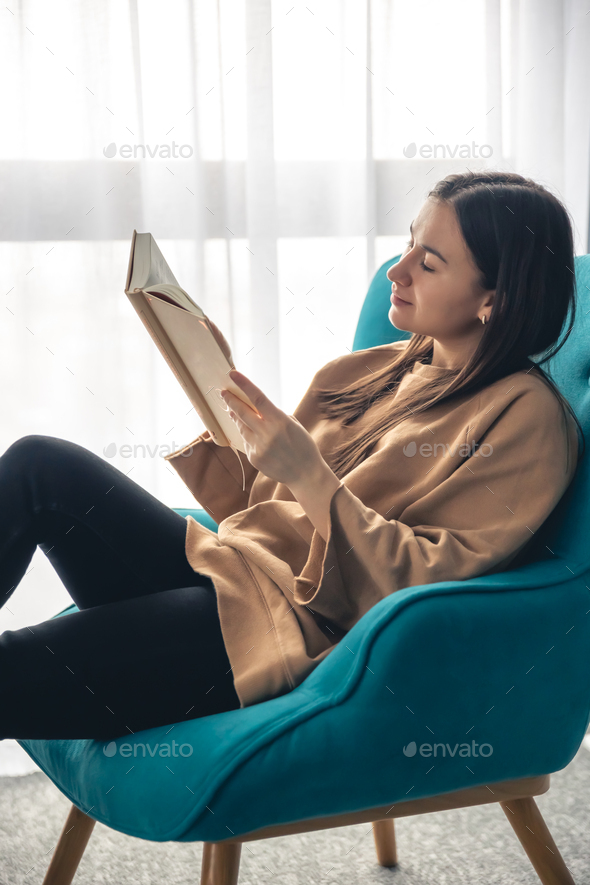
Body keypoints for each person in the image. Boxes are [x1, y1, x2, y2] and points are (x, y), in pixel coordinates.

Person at [0, 170, 584, 741]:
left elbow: (424, 584)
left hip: (288, 627)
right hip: (231, 568)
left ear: (494, 300)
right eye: (408, 243)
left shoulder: (526, 418)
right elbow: (260, 510)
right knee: (39, 464)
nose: (397, 270)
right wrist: (218, 391)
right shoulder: (368, 371)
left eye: (428, 263)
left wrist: (308, 473)